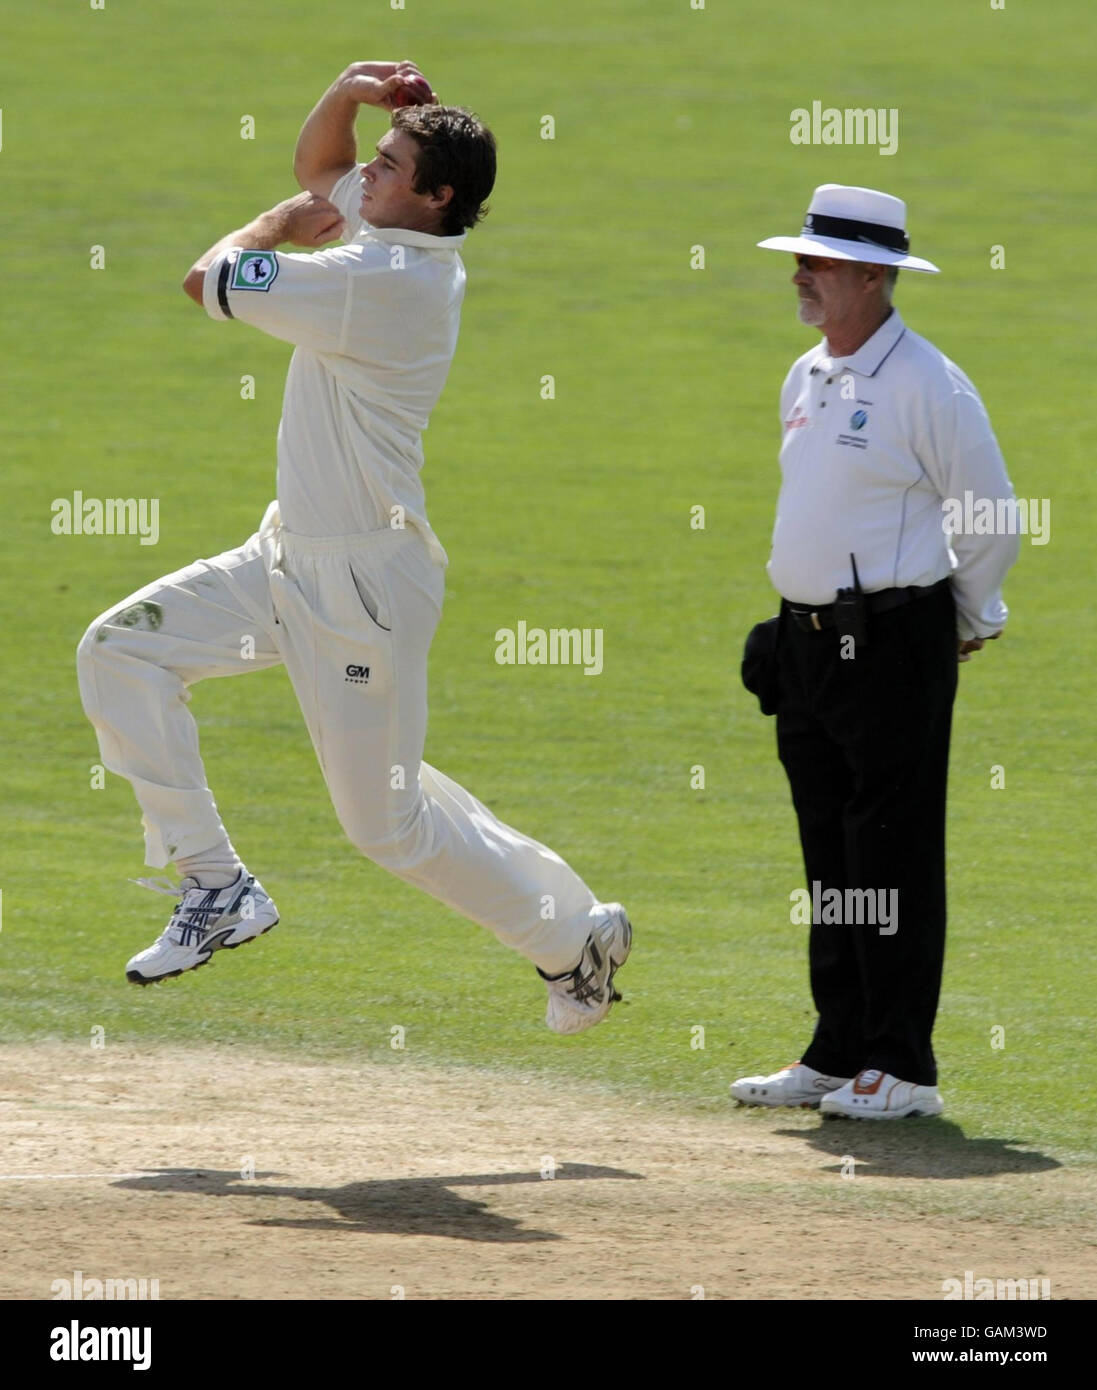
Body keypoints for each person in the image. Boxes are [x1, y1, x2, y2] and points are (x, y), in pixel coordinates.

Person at [76, 59, 630, 1035]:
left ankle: (570, 941)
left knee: (386, 824)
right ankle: (216, 886)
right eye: (373, 161)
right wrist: (348, 93)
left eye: (388, 164)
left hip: (364, 587)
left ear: (437, 194)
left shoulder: (380, 281)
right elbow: (318, 162)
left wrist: (277, 228)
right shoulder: (393, 230)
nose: (362, 177)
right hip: (289, 555)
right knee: (118, 651)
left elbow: (204, 279)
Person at [732, 184, 1018, 1118]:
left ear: (872, 274)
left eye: (816, 261)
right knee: (830, 853)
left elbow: (988, 516)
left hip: (893, 640)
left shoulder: (928, 385)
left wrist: (967, 618)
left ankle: (902, 1066)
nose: (799, 274)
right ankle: (837, 1046)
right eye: (801, 256)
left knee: (888, 854)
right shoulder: (806, 373)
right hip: (808, 644)